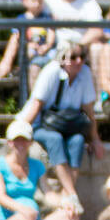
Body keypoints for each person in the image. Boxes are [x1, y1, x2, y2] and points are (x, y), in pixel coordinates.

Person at [16, 40, 103, 204]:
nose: (79, 61)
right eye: (74, 57)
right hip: (41, 125)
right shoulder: (51, 72)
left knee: (77, 140)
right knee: (54, 138)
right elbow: (36, 105)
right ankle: (72, 194)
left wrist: (95, 139)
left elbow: (89, 111)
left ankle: (67, 194)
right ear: (62, 58)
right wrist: (20, 133)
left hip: (68, 127)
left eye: (82, 57)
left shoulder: (84, 73)